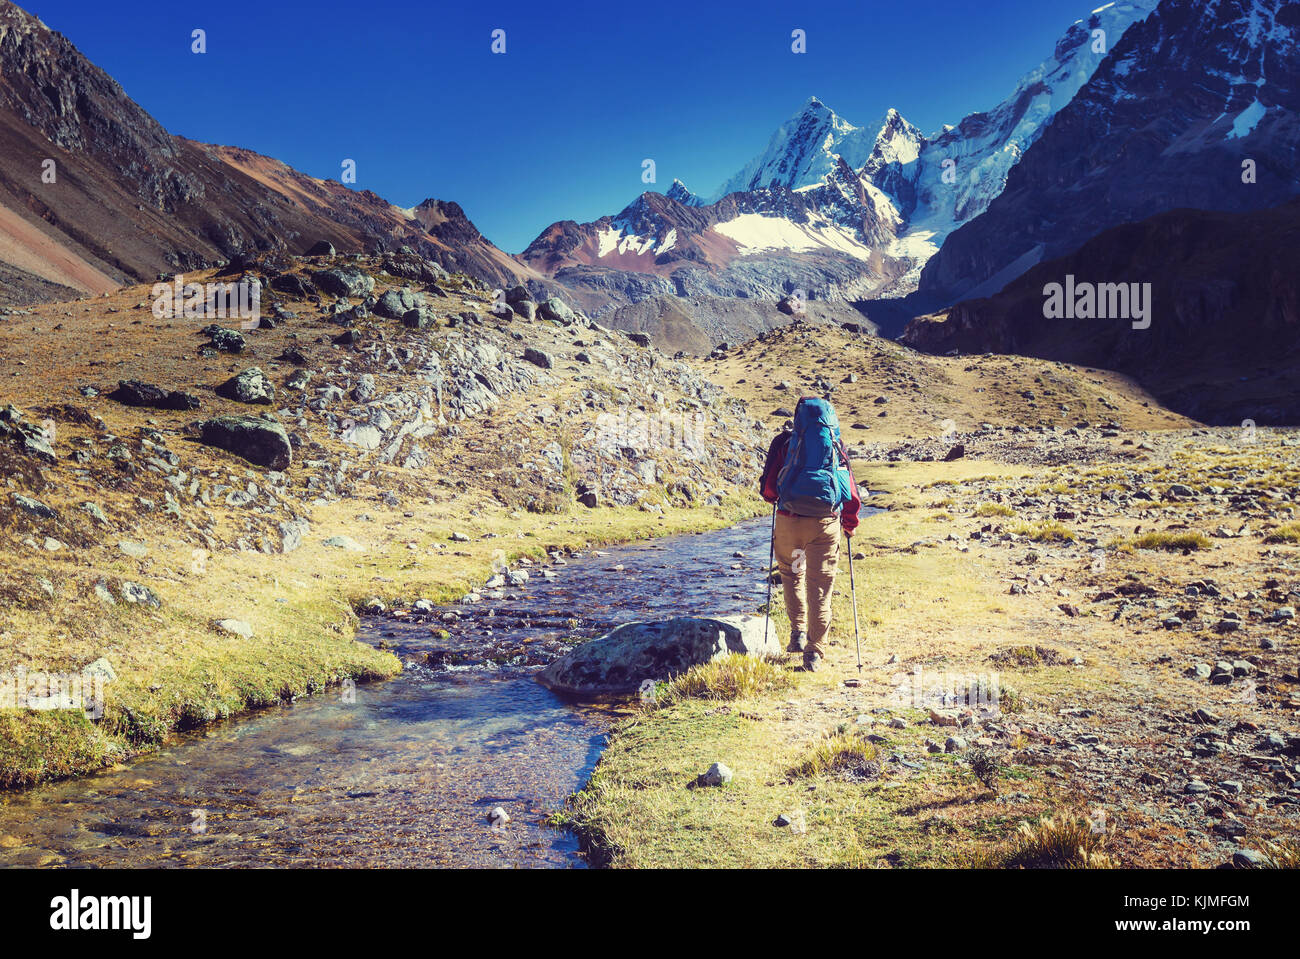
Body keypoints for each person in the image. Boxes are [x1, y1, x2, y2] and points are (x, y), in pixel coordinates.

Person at [759, 397, 862, 672]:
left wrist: (780, 499)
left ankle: (798, 633)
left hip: (789, 523)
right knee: (820, 588)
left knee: (792, 574)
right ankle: (814, 653)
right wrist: (849, 524)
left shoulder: (784, 444)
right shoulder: (835, 447)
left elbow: (768, 490)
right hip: (824, 526)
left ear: (798, 418)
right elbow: (850, 493)